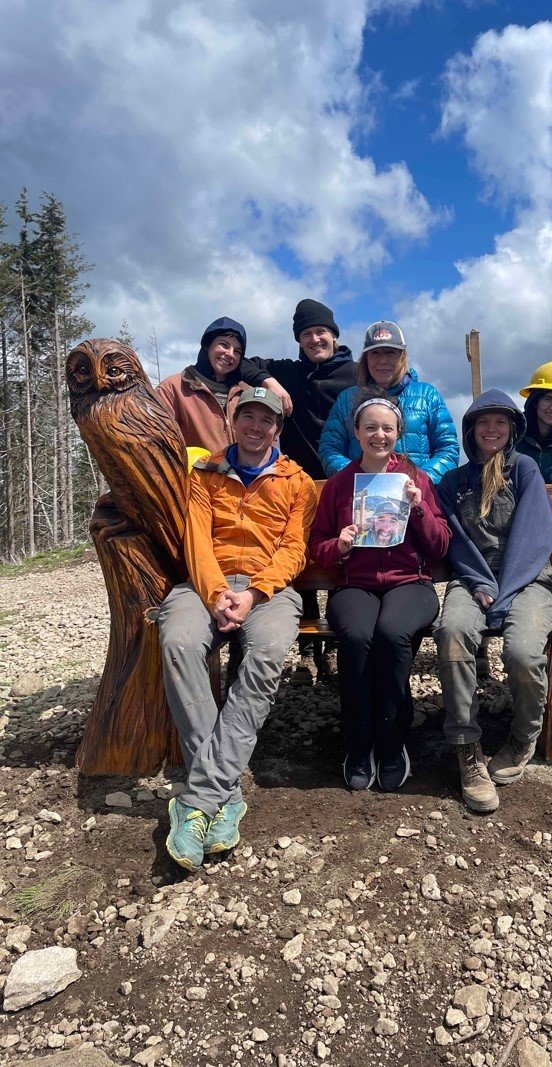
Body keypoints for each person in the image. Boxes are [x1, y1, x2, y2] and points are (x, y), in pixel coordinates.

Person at [157, 386, 317, 870]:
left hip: (268, 591)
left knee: (267, 654)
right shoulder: (204, 472)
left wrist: (252, 593)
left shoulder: (298, 482)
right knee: (179, 641)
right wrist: (215, 593)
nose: (255, 426)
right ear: (233, 423)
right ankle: (224, 794)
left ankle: (198, 799)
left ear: (277, 428)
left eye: (265, 420)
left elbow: (294, 550)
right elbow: (197, 540)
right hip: (206, 584)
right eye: (246, 417)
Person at [309, 389, 450, 792]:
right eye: (370, 427)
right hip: (355, 584)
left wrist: (419, 508)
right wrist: (338, 545)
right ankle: (357, 745)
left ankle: (392, 744)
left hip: (411, 584)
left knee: (392, 634)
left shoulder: (415, 478)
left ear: (398, 433)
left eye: (387, 428)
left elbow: (440, 546)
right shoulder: (339, 484)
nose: (379, 435)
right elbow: (316, 546)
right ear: (356, 432)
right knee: (357, 637)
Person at [434, 390, 552, 813]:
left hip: (527, 580)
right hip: (473, 580)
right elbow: (455, 542)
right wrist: (477, 581)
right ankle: (467, 747)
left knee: (522, 650)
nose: (491, 430)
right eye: (483, 423)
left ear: (512, 430)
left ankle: (524, 736)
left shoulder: (524, 469)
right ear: (471, 430)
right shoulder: (454, 482)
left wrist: (503, 594)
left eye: (500, 423)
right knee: (452, 632)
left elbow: (534, 536)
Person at [240, 299, 359, 684]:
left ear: (334, 334)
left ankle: (340, 645)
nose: (314, 339)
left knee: (345, 554)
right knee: (301, 556)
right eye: (306, 334)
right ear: (299, 340)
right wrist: (270, 383)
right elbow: (245, 362)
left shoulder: (356, 373)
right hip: (299, 481)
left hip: (347, 480)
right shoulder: (289, 372)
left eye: (320, 331)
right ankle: (308, 651)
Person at [318, 320, 458, 485]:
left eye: (390, 352)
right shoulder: (346, 399)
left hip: (416, 499)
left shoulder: (427, 395)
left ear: (402, 356)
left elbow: (448, 449)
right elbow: (329, 449)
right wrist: (356, 477)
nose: (383, 360)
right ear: (365, 359)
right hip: (361, 499)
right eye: (375, 353)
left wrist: (419, 481)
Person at [157, 317, 248, 453]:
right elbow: (156, 443)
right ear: (207, 345)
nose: (230, 354)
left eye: (237, 351)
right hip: (194, 474)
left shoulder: (247, 392)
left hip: (241, 475)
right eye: (224, 345)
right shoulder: (172, 388)